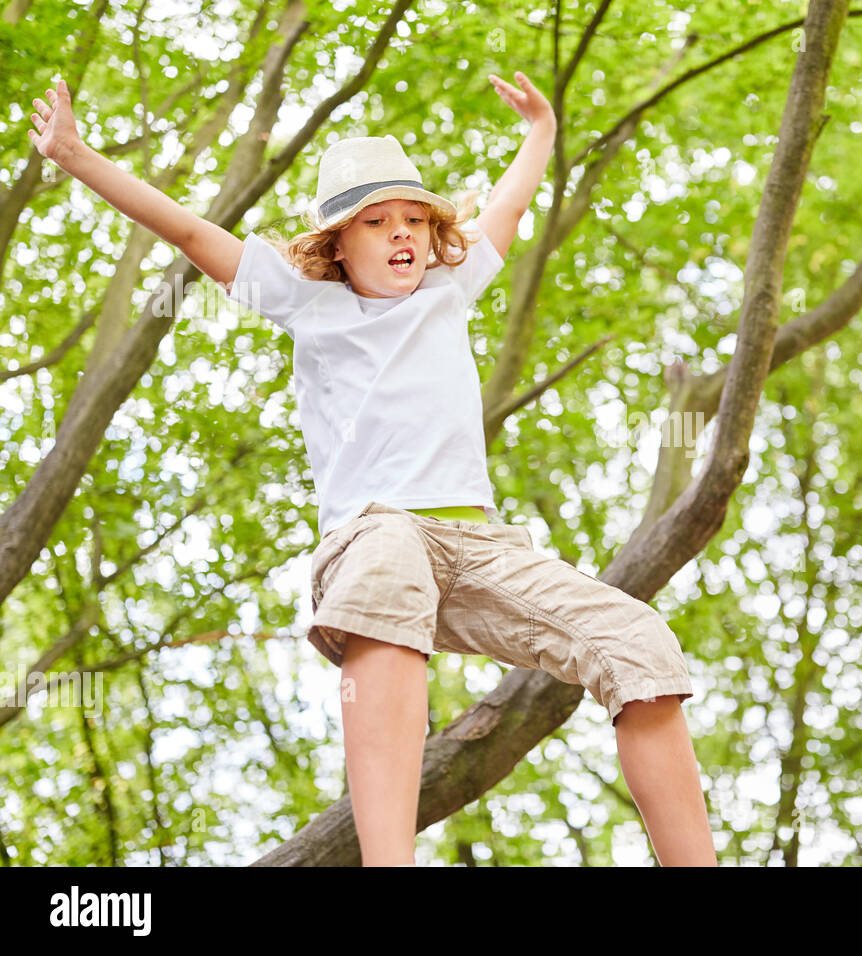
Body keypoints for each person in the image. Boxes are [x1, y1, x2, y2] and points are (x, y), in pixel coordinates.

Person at [27, 72, 717, 866]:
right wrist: (77, 157)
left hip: (487, 550)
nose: (403, 235)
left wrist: (542, 131)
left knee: (637, 639)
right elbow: (189, 233)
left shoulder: (449, 291)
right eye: (377, 221)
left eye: (416, 220)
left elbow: (513, 206)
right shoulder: (303, 301)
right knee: (390, 565)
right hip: (376, 534)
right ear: (335, 245)